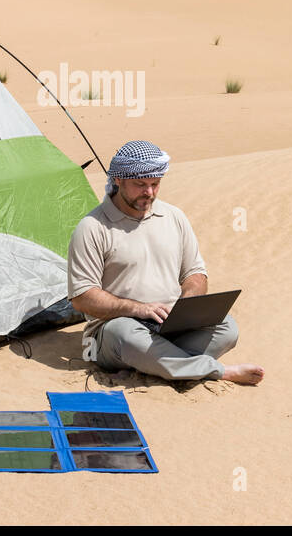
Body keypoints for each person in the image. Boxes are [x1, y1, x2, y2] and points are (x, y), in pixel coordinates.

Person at [66, 140, 265, 385]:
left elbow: (195, 274)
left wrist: (187, 305)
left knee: (227, 327)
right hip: (116, 330)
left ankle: (157, 364)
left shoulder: (174, 217)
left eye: (155, 184)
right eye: (140, 184)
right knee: (127, 337)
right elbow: (82, 297)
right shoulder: (92, 227)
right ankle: (217, 371)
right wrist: (138, 309)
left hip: (170, 325)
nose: (149, 192)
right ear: (118, 180)